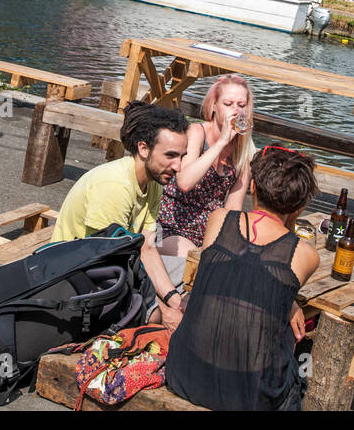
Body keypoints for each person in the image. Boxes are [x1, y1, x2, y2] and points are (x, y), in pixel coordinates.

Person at [164, 146, 321, 411]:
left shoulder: (219, 220)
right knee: (300, 341)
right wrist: (292, 303)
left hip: (184, 373)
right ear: (302, 205)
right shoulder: (305, 254)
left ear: (252, 188)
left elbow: (245, 271)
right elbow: (268, 277)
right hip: (250, 398)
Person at [51, 103, 191, 331]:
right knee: (154, 317)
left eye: (182, 156)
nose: (178, 166)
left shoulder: (154, 181)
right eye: (170, 156)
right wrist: (165, 311)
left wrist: (175, 301)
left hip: (122, 260)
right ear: (143, 149)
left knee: (192, 287)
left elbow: (146, 247)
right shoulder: (115, 186)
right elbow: (106, 260)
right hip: (79, 271)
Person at [157, 74, 255, 265]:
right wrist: (221, 143)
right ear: (214, 107)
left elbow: (232, 209)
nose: (236, 110)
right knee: (197, 262)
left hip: (208, 232)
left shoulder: (245, 151)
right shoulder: (197, 132)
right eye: (228, 104)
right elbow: (184, 182)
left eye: (241, 105)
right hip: (168, 226)